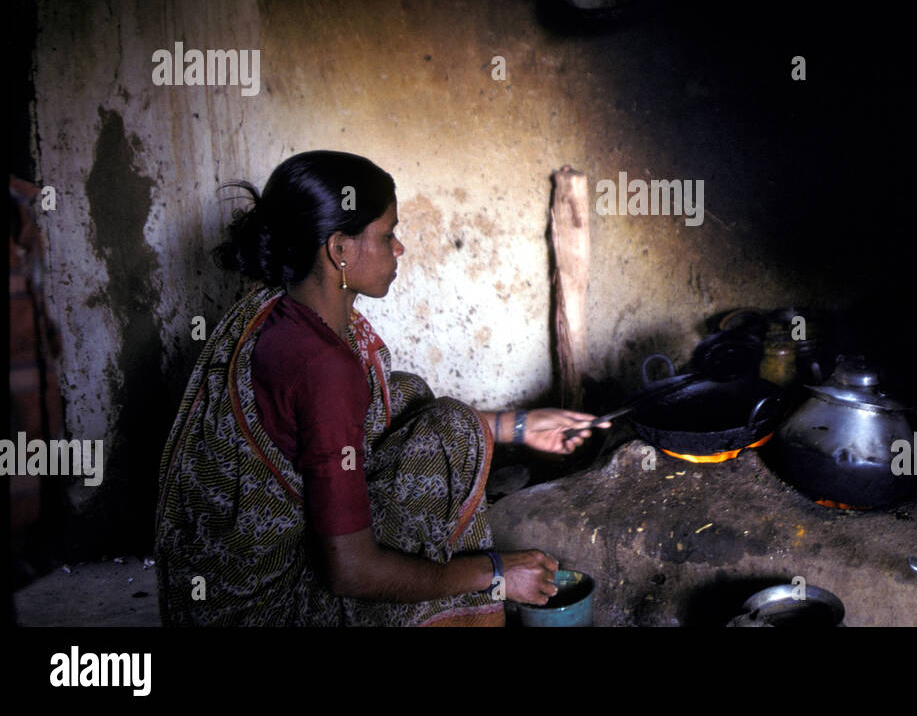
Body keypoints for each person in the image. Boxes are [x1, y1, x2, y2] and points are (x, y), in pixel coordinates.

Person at [155, 151, 605, 626]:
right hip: (260, 612)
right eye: (388, 234)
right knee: (452, 451)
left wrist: (520, 426)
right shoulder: (320, 365)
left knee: (425, 406)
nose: (400, 249)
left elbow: (377, 414)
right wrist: (495, 573)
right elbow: (351, 571)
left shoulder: (278, 307)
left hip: (203, 599)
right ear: (340, 250)